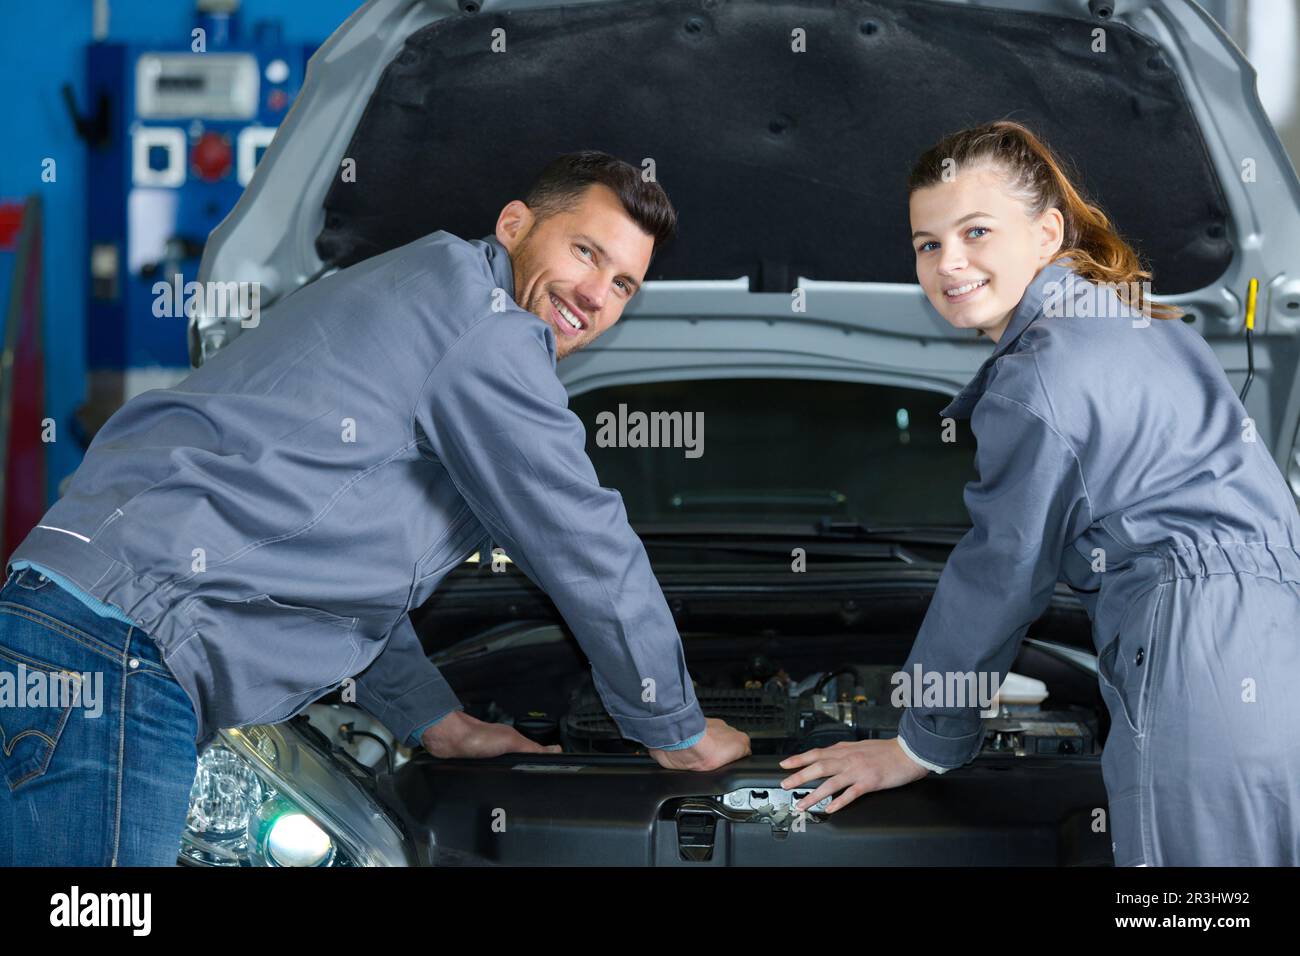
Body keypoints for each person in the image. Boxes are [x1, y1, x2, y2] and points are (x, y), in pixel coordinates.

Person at [0, 150, 751, 866]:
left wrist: (437, 720)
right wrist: (673, 726)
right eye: (588, 252)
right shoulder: (490, 330)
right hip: (123, 646)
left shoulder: (420, 283)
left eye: (624, 284)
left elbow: (334, 555)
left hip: (73, 626)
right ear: (515, 224)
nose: (596, 295)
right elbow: (583, 538)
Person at [780, 120, 1300, 866]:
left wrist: (921, 744)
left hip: (1200, 658)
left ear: (1048, 230)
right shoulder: (1154, 329)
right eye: (927, 244)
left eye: (976, 231)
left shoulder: (1039, 376)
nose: (948, 262)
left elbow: (1003, 570)